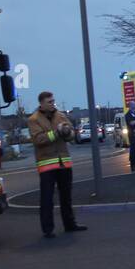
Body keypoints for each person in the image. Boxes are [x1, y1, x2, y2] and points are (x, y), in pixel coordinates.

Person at [28, 91, 86, 239]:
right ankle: (48, 229)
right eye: (49, 102)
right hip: (47, 165)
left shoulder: (60, 115)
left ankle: (70, 224)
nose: (52, 103)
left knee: (66, 197)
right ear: (41, 103)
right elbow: (38, 140)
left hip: (64, 163)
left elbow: (72, 133)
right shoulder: (34, 119)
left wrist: (67, 132)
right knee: (47, 199)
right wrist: (57, 133)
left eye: (53, 101)